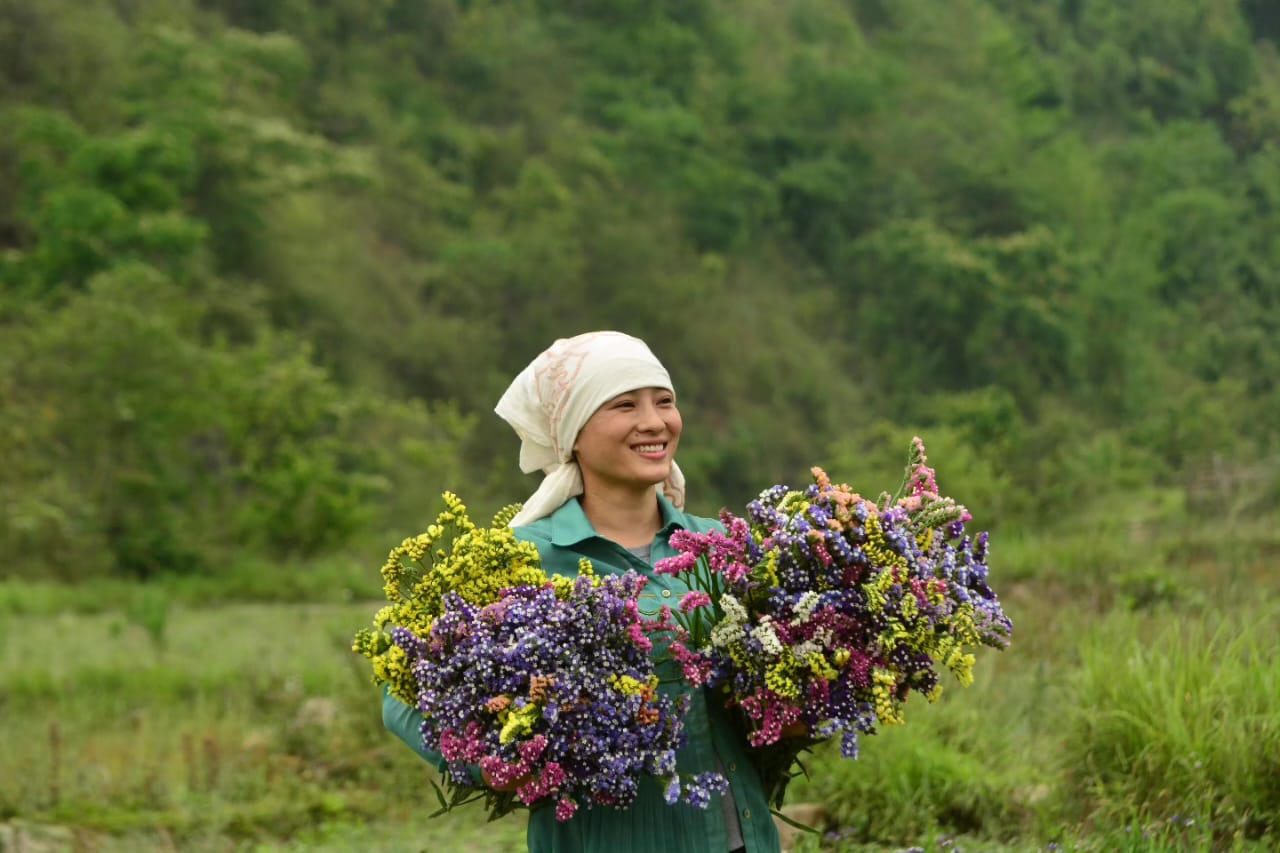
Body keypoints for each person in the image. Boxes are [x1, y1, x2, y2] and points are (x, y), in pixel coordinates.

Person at [381, 331, 783, 853]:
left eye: (664, 402)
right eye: (624, 405)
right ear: (573, 434)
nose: (654, 421)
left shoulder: (719, 545)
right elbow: (402, 699)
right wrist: (495, 767)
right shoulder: (520, 557)